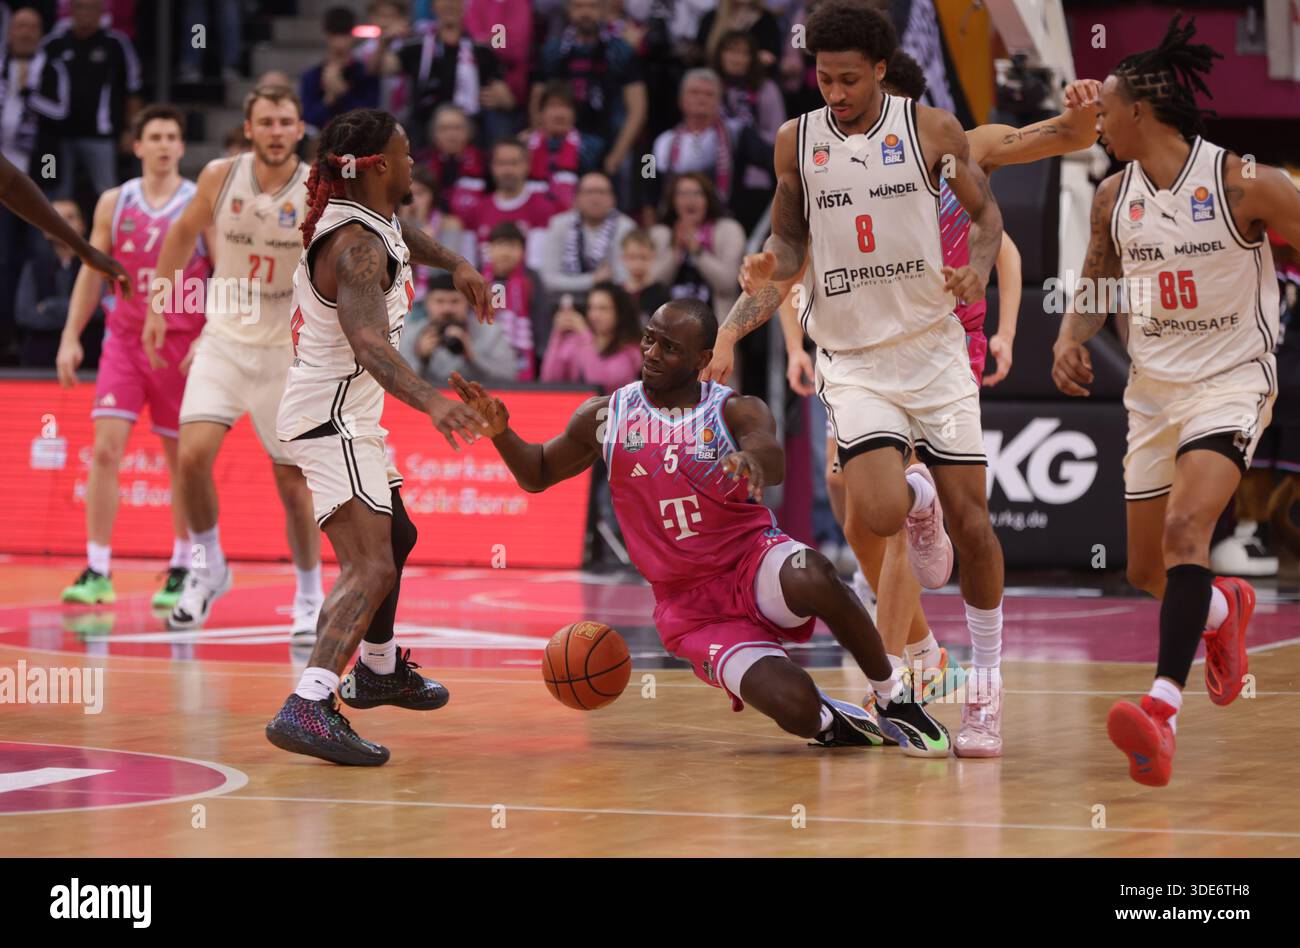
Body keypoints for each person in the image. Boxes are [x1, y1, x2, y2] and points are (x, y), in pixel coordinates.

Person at [707, 50, 1096, 705]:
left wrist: (1083, 116)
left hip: (941, 342)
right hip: (862, 347)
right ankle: (923, 651)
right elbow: (795, 266)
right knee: (855, 508)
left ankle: (893, 684)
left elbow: (1062, 142)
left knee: (907, 509)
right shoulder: (827, 165)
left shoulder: (958, 144)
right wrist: (753, 317)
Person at [457, 299, 950, 754]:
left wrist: (752, 461)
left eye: (670, 348)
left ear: (701, 358)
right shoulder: (606, 415)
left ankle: (892, 697)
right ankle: (829, 721)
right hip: (688, 607)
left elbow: (770, 456)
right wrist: (501, 432)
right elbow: (538, 472)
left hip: (751, 562)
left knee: (812, 570)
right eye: (649, 339)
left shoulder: (734, 409)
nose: (651, 353)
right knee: (794, 708)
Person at [729, 1, 1009, 756]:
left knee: (975, 527)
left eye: (850, 79)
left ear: (882, 69)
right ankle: (916, 502)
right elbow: (787, 245)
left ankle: (984, 698)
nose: (836, 93)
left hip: (934, 348)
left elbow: (987, 221)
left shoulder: (932, 131)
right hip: (853, 358)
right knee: (878, 515)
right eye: (823, 78)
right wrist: (745, 307)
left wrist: (976, 271)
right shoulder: (798, 139)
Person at [1049, 16, 1300, 786]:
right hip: (1152, 393)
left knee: (1192, 526)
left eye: (1108, 109)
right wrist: (1069, 336)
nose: (1099, 122)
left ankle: (1160, 711)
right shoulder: (1113, 193)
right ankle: (1224, 612)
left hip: (1232, 380)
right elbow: (1095, 277)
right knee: (1150, 570)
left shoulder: (1247, 183)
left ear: (1140, 113)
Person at [265, 107, 493, 765]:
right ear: (381, 166)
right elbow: (368, 344)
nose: (416, 161)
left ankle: (380, 668)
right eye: (408, 151)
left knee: (398, 535)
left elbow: (404, 238)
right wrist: (433, 402)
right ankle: (308, 703)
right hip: (333, 416)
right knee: (370, 564)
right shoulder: (356, 248)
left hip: (344, 413)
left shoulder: (371, 222)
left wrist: (457, 263)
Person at [143, 85, 322, 637]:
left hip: (283, 353)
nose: (274, 131)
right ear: (249, 127)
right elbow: (180, 234)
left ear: (298, 129)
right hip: (222, 340)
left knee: (292, 483)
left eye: (284, 122)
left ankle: (310, 595)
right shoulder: (220, 176)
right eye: (264, 121)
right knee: (191, 458)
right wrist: (159, 302)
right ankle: (207, 568)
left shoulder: (317, 188)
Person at [55, 105, 211, 610]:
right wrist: (70, 335)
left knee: (181, 463)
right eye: (155, 136)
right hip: (124, 339)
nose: (164, 144)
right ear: (137, 146)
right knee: (104, 450)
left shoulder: (199, 203)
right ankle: (98, 567)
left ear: (182, 148)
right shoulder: (113, 202)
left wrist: (213, 339)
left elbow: (226, 276)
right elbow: (89, 270)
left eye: (172, 136)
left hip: (181, 347)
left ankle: (184, 566)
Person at [34, 0, 141, 200]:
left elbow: (132, 90)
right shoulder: (53, 44)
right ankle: (54, 232)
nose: (86, 13)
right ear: (72, 10)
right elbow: (35, 86)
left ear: (101, 12)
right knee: (57, 195)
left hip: (101, 134)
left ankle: (112, 231)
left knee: (107, 192)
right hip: (58, 136)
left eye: (92, 8)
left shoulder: (116, 44)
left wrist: (130, 130)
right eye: (81, 7)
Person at [530, 0, 646, 177]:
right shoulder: (552, 51)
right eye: (579, 6)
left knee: (630, 161)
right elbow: (537, 102)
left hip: (609, 137)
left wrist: (616, 155)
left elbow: (637, 110)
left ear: (603, 10)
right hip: (561, 139)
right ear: (568, 10)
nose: (586, 13)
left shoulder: (620, 51)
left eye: (592, 6)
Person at [649, 172, 745, 325]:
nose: (690, 199)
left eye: (697, 193)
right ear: (672, 201)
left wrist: (698, 252)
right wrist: (675, 251)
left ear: (708, 199)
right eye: (683, 194)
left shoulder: (728, 230)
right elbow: (652, 284)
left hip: (714, 326)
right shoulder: (660, 234)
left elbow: (727, 283)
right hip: (668, 325)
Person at [401, 268, 516, 384]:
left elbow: (509, 376)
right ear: (427, 304)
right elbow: (398, 383)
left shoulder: (491, 333)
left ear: (469, 304)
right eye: (439, 301)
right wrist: (421, 358)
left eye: (455, 301)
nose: (447, 309)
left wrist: (472, 356)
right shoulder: (411, 333)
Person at [538, 171, 636, 300]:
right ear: (576, 198)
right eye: (589, 192)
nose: (595, 198)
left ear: (613, 199)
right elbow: (548, 279)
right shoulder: (559, 224)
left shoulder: (626, 227)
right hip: (565, 302)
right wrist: (592, 280)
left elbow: (625, 278)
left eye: (601, 192)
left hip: (611, 304)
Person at [460, 138, 556, 269]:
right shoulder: (477, 210)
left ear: (527, 165)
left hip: (525, 285)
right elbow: (467, 264)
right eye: (501, 163)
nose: (508, 170)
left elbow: (537, 265)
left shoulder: (542, 208)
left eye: (514, 163)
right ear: (492, 166)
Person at [15, 198, 87, 366]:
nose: (63, 223)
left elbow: (100, 311)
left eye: (70, 217)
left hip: (86, 357)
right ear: (45, 230)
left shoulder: (95, 266)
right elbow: (24, 315)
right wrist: (77, 311)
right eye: (56, 218)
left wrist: (49, 306)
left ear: (83, 225)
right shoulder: (33, 267)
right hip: (39, 361)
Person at [539, 280, 642, 393]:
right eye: (591, 308)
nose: (594, 315)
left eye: (603, 308)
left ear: (620, 312)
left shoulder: (630, 349)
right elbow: (549, 379)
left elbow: (599, 383)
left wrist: (584, 334)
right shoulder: (576, 341)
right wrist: (557, 335)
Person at [300, 6, 381, 133]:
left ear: (352, 35)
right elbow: (308, 121)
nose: (340, 42)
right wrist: (328, 99)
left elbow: (371, 119)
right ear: (327, 35)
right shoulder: (312, 76)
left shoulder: (366, 74)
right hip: (321, 144)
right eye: (335, 34)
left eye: (344, 34)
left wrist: (343, 93)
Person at [481, 221, 540, 380]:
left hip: (522, 355)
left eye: (513, 246)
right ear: (490, 249)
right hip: (484, 352)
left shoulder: (531, 279)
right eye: (500, 245)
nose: (506, 252)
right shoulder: (477, 277)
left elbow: (541, 319)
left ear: (523, 251)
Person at [523, 80, 582, 212]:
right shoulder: (524, 146)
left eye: (566, 106)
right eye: (553, 106)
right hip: (532, 215)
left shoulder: (590, 148)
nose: (559, 114)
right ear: (541, 113)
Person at [619, 228, 669, 323]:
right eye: (632, 257)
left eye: (643, 257)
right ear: (623, 258)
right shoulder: (618, 293)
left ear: (653, 257)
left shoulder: (661, 293)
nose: (637, 264)